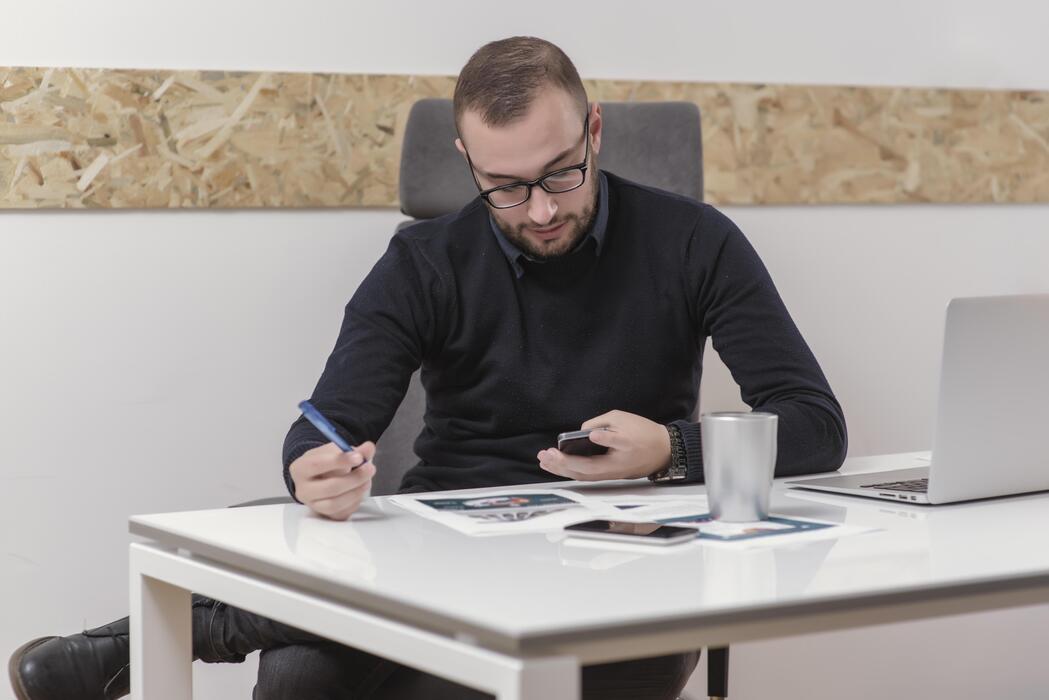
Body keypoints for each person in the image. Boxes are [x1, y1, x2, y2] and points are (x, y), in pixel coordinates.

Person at [9, 36, 847, 700]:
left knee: (308, 653)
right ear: (464, 160)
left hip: (618, 553)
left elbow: (815, 424)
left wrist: (672, 449)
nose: (542, 208)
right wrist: (316, 470)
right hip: (449, 540)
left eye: (560, 172)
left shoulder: (695, 240)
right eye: (505, 186)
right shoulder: (424, 259)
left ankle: (123, 650)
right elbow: (327, 421)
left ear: (593, 130)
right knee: (299, 639)